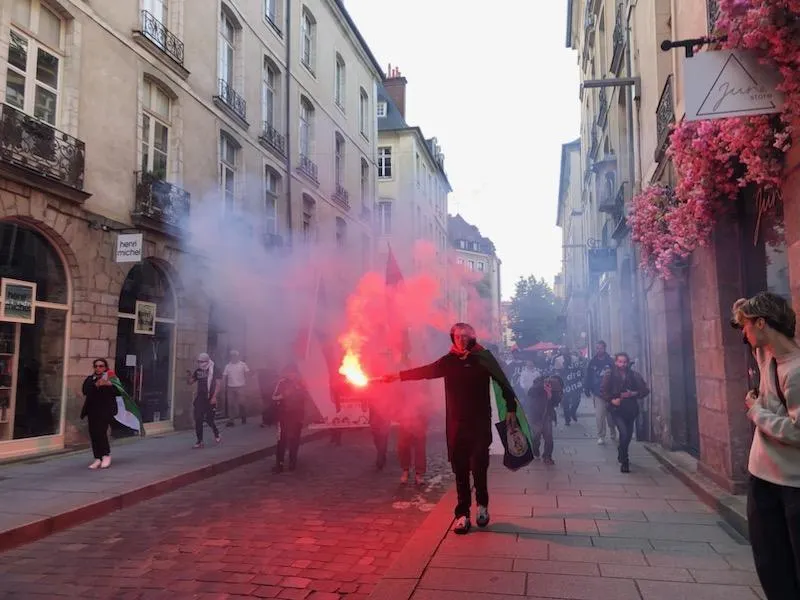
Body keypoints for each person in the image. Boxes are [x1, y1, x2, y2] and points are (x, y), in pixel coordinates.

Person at [379, 323, 518, 535]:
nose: (461, 339)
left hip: (479, 423)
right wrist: (398, 375)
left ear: (472, 337)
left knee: (479, 466)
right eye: (457, 336)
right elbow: (425, 371)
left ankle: (482, 506)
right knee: (460, 469)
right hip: (455, 425)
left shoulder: (483, 358)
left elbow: (503, 381)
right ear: (453, 338)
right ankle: (462, 514)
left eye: (465, 336)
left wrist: (511, 408)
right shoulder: (449, 361)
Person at [731, 292, 800, 598]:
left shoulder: (795, 371)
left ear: (761, 324)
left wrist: (756, 411)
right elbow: (740, 316)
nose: (743, 334)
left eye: (747, 326)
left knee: (791, 566)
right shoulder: (766, 354)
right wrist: (742, 311)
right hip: (761, 477)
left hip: (792, 484)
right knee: (771, 564)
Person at [600, 352, 649, 473]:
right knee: (624, 432)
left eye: (625, 362)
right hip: (616, 409)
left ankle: (621, 451)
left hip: (630, 409)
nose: (623, 364)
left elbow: (645, 390)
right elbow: (603, 391)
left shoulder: (634, 375)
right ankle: (625, 460)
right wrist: (612, 400)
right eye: (620, 362)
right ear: (616, 362)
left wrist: (633, 393)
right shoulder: (609, 375)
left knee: (627, 436)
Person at [271, 363, 309, 473]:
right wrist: (284, 395)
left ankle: (293, 462)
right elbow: (274, 397)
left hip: (297, 415)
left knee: (295, 440)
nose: (291, 375)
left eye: (293, 373)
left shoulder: (301, 383)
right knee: (281, 440)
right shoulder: (282, 383)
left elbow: (306, 397)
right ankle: (280, 464)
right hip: (284, 415)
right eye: (289, 372)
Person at [80, 358, 117, 469]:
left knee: (101, 432)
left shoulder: (111, 378)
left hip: (105, 410)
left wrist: (109, 385)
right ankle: (97, 457)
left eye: (101, 366)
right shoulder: (91, 379)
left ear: (105, 367)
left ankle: (106, 455)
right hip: (92, 411)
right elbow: (85, 391)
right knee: (93, 434)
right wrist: (95, 384)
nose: (98, 368)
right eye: (96, 366)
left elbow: (119, 392)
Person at [583, 341, 615, 445]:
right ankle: (601, 435)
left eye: (600, 348)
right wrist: (587, 388)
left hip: (610, 393)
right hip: (598, 393)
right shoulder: (592, 362)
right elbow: (588, 375)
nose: (598, 350)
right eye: (597, 348)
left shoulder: (610, 361)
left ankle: (613, 431)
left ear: (604, 348)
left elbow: (616, 376)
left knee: (611, 416)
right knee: (599, 416)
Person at [187, 353, 221, 448]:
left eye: (202, 361)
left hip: (210, 397)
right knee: (198, 419)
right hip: (200, 398)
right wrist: (188, 376)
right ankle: (199, 441)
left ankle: (216, 433)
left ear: (207, 361)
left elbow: (218, 384)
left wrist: (214, 397)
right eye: (199, 362)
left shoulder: (215, 369)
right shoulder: (198, 371)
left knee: (209, 419)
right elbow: (191, 382)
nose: (200, 363)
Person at [528, 375, 563, 465]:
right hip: (536, 415)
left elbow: (557, 401)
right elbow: (530, 392)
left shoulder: (555, 388)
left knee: (548, 437)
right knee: (536, 436)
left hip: (547, 415)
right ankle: (535, 451)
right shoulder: (537, 385)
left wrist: (552, 394)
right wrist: (543, 386)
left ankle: (547, 456)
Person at [223, 350, 250, 427]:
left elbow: (247, 374)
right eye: (232, 356)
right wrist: (223, 385)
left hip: (241, 386)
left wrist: (247, 384)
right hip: (230, 387)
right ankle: (231, 420)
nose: (233, 357)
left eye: (235, 356)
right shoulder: (228, 366)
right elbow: (224, 376)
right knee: (231, 404)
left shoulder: (243, 365)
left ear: (237, 356)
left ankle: (243, 416)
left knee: (242, 403)